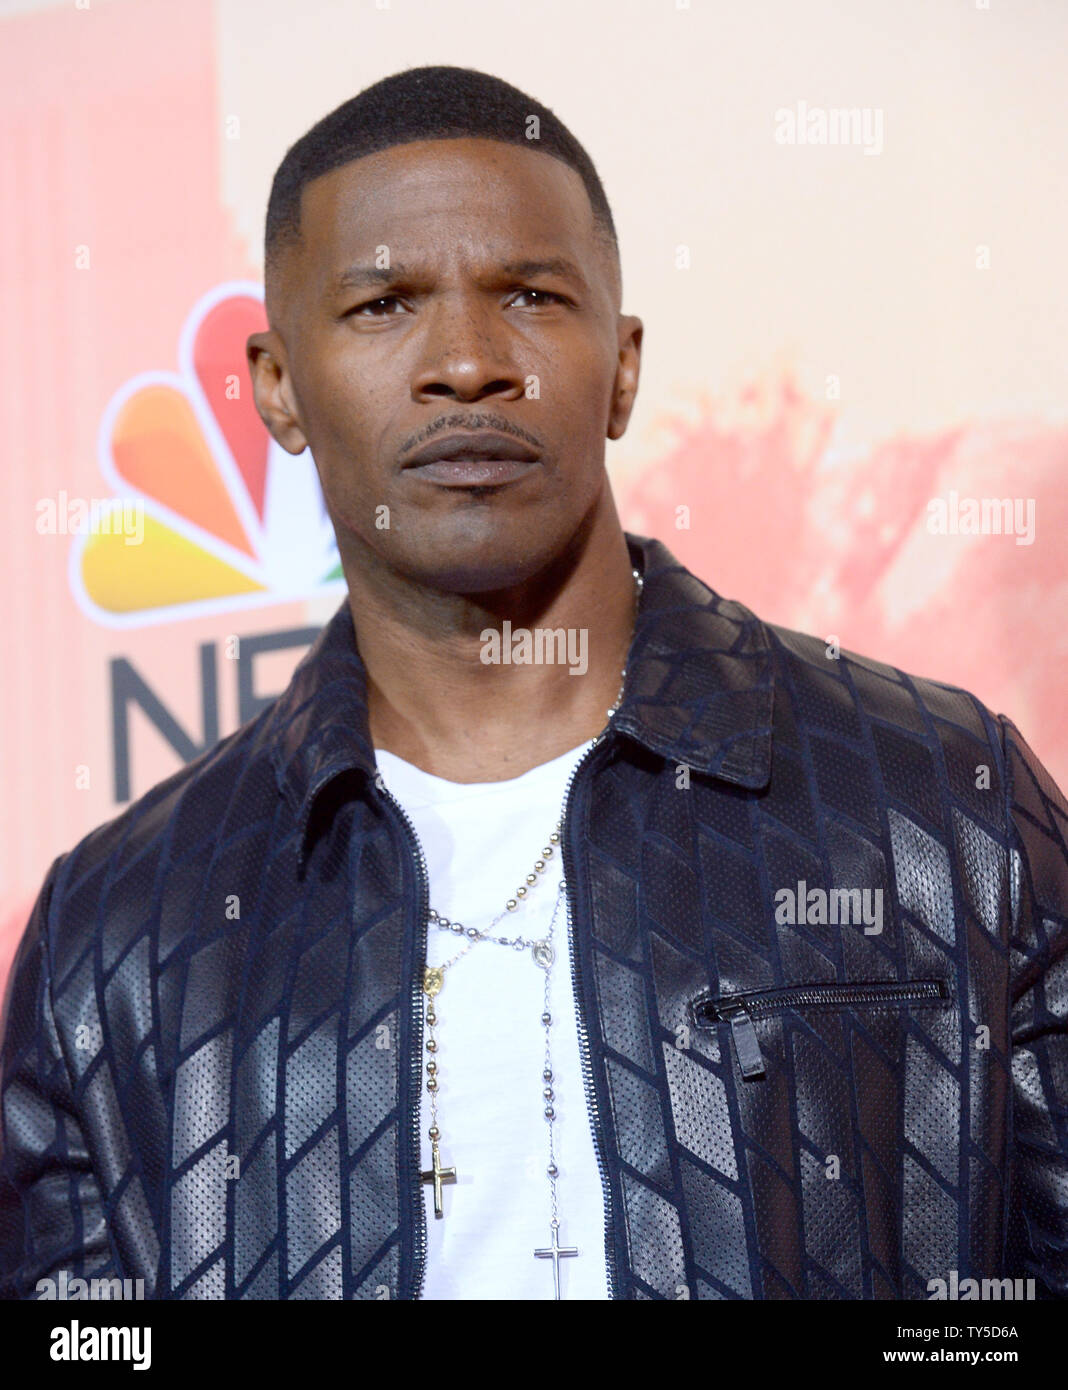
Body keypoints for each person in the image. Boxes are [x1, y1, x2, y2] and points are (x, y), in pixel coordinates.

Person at [1, 65, 1065, 1302]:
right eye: (385, 303)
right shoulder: (119, 932)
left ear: (620, 368)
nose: (466, 363)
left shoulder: (947, 808)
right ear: (277, 385)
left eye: (528, 294)